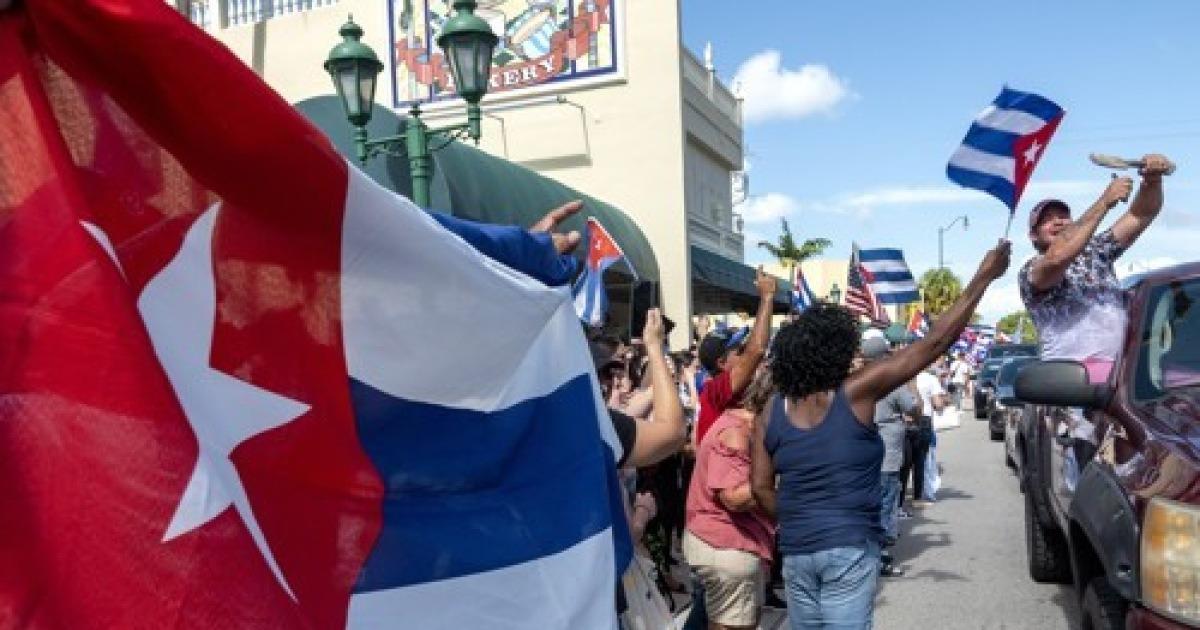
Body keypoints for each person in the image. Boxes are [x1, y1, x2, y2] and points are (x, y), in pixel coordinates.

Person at [751, 240, 1011, 628]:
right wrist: (983, 277)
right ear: (837, 351)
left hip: (796, 550)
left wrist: (799, 517)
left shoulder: (771, 411)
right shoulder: (856, 391)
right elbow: (934, 343)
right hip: (849, 546)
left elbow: (760, 487)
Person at [1018, 154, 1173, 482]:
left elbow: (1141, 214)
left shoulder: (1097, 253)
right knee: (1091, 496)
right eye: (1048, 220)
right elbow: (1060, 253)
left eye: (1064, 215)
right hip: (1074, 396)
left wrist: (1152, 180)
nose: (1059, 221)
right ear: (1034, 237)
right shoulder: (1032, 271)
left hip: (1130, 390)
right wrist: (1104, 201)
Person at [683, 369, 776, 630]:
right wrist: (780, 473)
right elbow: (733, 497)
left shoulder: (744, 428)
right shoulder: (737, 433)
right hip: (727, 546)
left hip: (731, 546)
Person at [858, 335, 919, 577]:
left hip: (863, 454)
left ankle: (870, 553)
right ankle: (880, 557)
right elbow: (912, 407)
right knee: (884, 504)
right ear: (884, 356)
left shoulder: (857, 380)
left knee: (869, 506)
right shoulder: (891, 382)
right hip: (886, 455)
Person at [694, 269, 777, 445]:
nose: (746, 353)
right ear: (721, 363)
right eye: (740, 352)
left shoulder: (735, 388)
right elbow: (757, 350)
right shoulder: (716, 390)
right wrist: (767, 297)